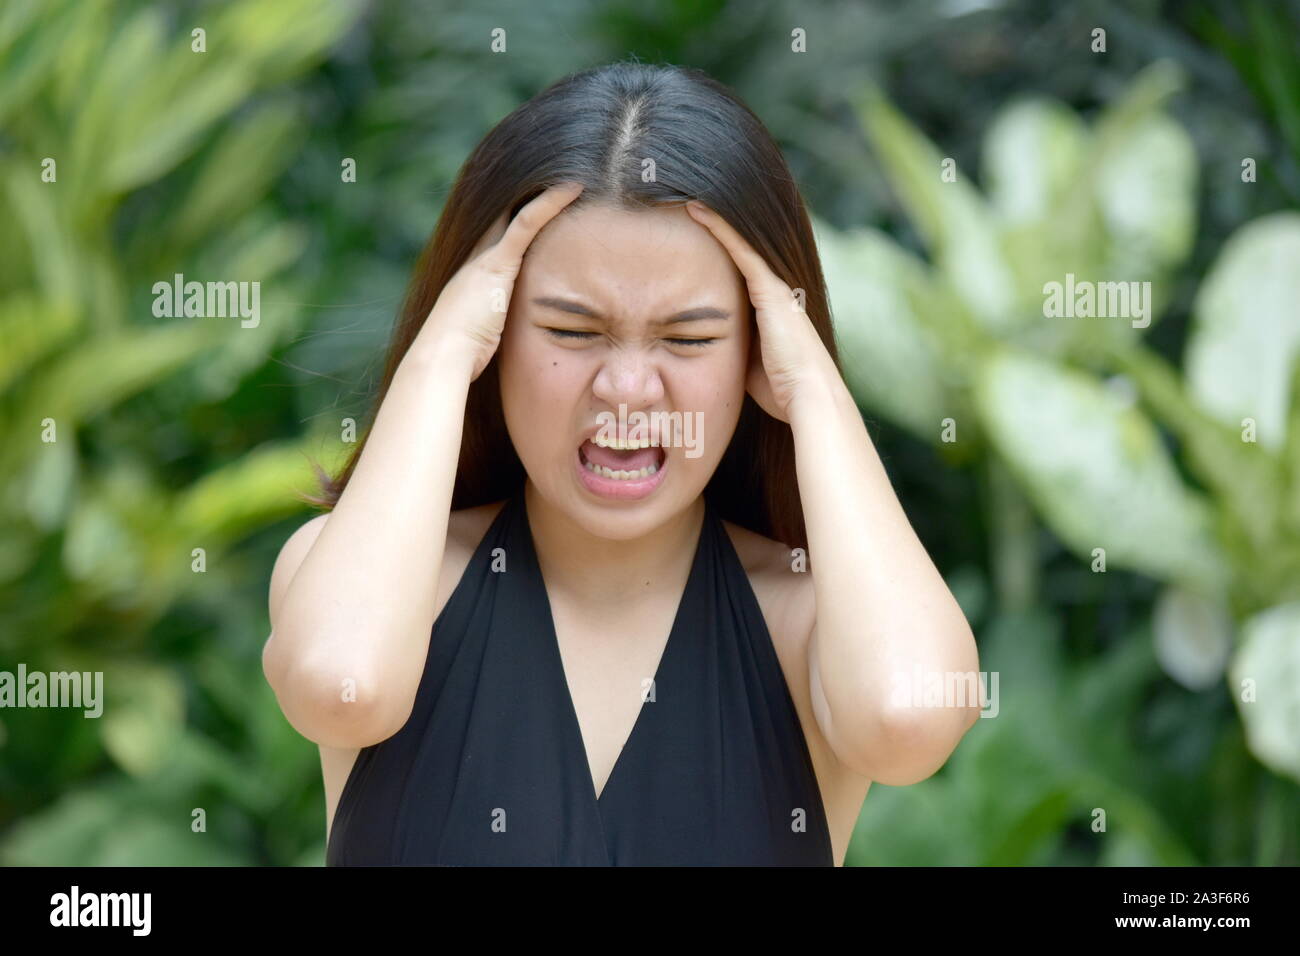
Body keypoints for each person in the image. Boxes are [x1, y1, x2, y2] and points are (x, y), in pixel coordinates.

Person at [262, 61, 981, 866]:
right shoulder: (390, 591)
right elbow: (336, 683)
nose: (629, 390)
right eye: (572, 331)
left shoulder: (804, 625)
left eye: (688, 339)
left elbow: (909, 717)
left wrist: (815, 389)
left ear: (758, 355)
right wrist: (437, 358)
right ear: (491, 337)